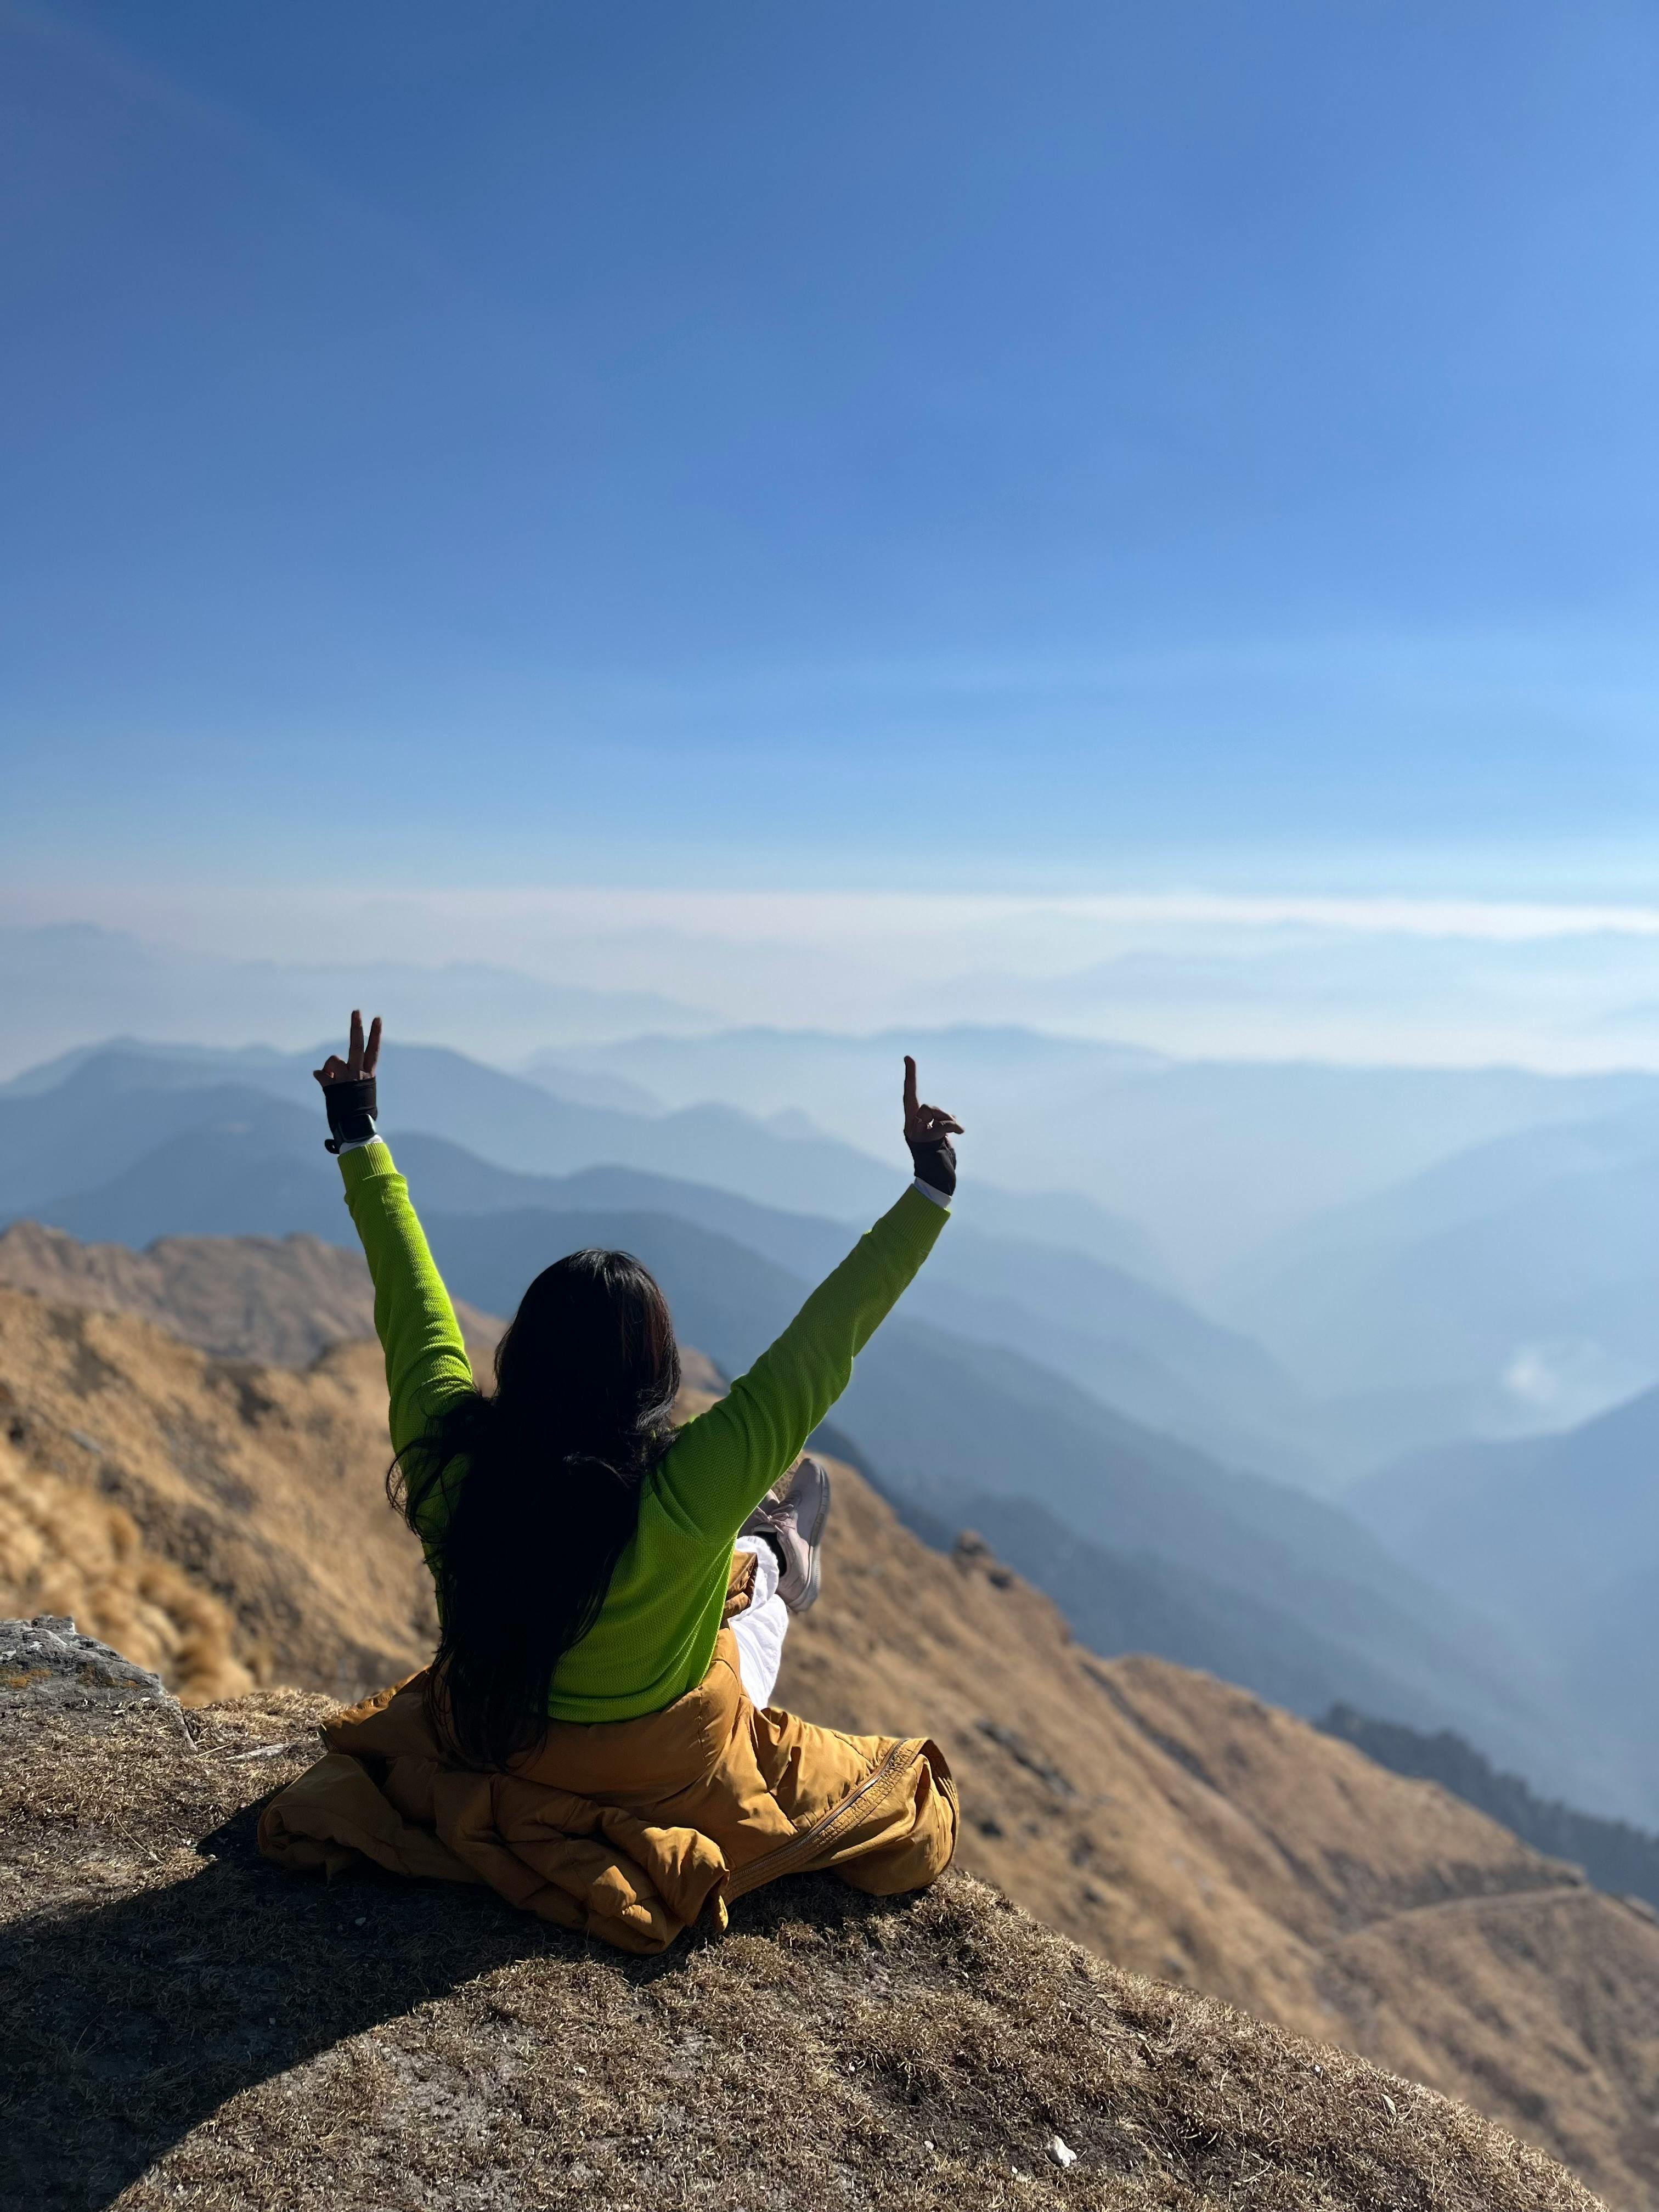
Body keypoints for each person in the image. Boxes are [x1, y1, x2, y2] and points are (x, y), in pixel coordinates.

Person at [259, 1013, 966, 1955]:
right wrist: (929, 1189)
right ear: (654, 1374)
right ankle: (779, 1556)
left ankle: (765, 1548)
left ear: (523, 1352)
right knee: (752, 1607)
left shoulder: (449, 1458)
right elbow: (819, 1349)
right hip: (657, 1772)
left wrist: (359, 1130)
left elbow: (411, 1299)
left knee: (714, 1572)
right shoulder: (685, 1490)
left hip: (488, 1737)